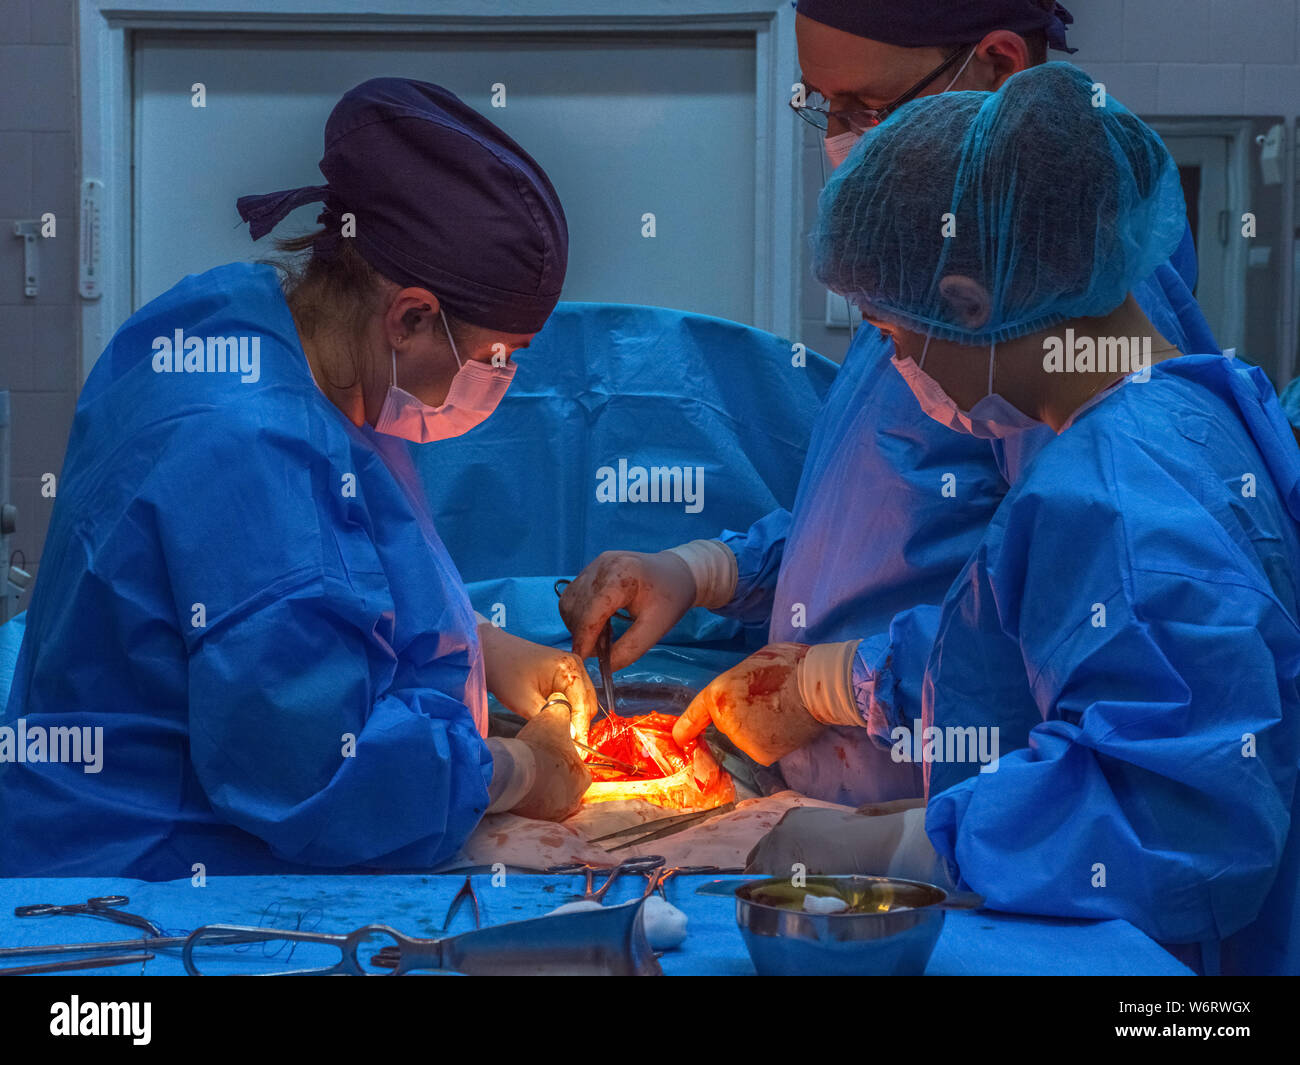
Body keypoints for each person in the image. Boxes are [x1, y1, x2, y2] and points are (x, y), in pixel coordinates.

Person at [559, 0, 1219, 806]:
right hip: (896, 825)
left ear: (1000, 66)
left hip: (964, 822)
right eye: (822, 108)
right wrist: (706, 571)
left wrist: (832, 689)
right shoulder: (933, 275)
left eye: (866, 109)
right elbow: (874, 517)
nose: (842, 139)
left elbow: (1066, 624)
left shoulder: (1057, 307)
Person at [755, 63, 1300, 976]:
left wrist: (911, 852)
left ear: (966, 304)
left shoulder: (1114, 493)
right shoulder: (1196, 405)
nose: (896, 369)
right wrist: (866, 723)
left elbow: (1179, 822)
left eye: (892, 338)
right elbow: (1034, 668)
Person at [0, 78, 597, 880]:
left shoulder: (245, 334)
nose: (500, 378)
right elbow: (317, 772)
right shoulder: (248, 443)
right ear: (411, 317)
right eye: (495, 356)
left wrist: (486, 650)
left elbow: (291, 607)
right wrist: (518, 772)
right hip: (148, 870)